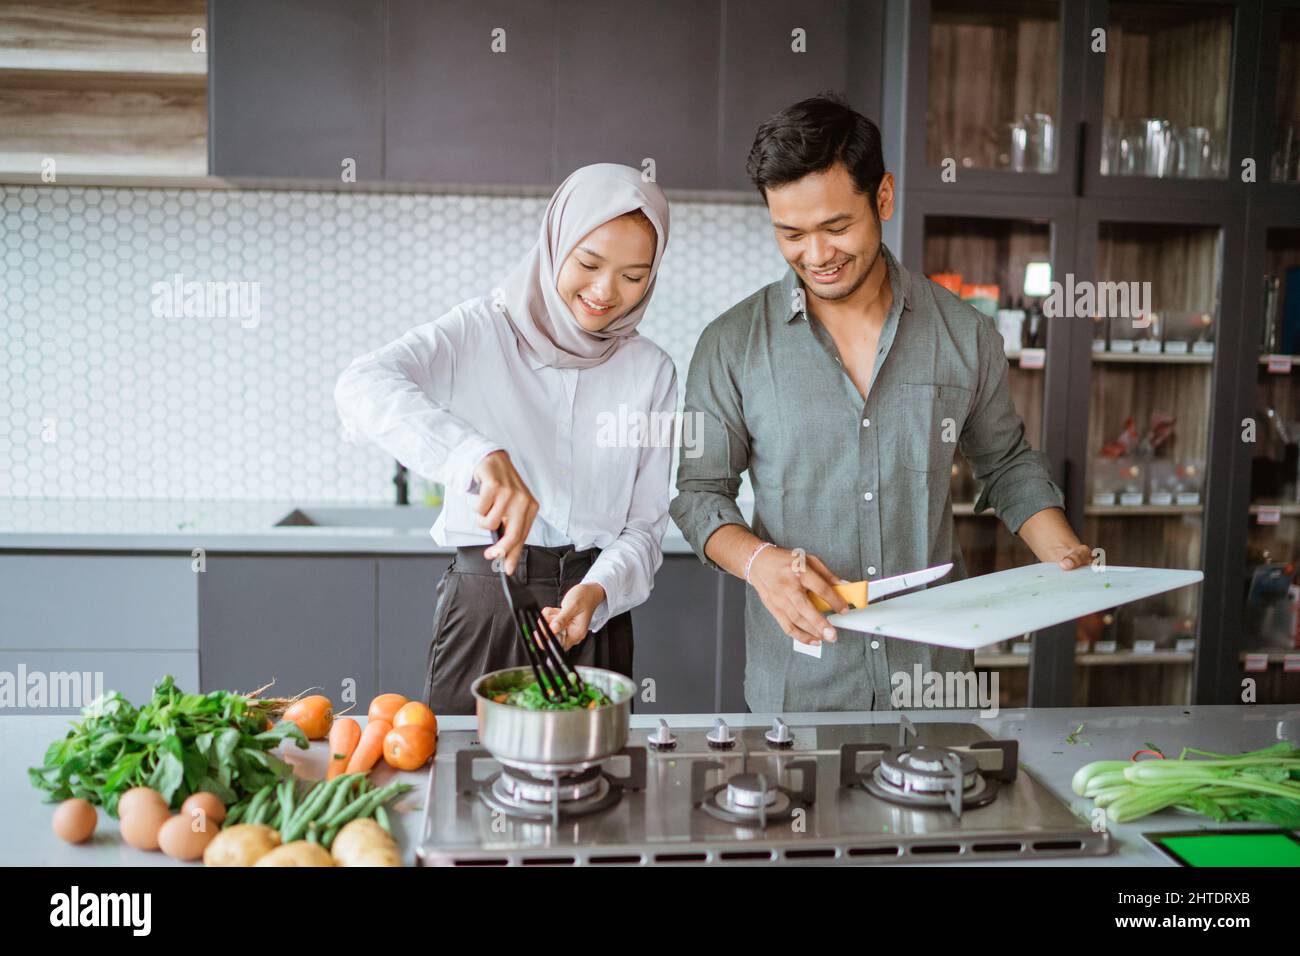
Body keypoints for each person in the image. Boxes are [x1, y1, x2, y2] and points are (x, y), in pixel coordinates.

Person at [670, 94, 1092, 713]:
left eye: (836, 227)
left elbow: (1005, 465)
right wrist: (760, 563)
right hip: (802, 686)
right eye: (791, 233)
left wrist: (1069, 558)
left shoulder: (962, 334)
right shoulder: (732, 344)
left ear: (884, 198)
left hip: (933, 682)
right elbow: (699, 495)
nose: (816, 256)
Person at [336, 163, 676, 714]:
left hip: (593, 613)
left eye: (633, 276)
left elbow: (643, 527)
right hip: (486, 606)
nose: (605, 291)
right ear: (553, 244)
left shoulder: (652, 372)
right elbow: (361, 384)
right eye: (588, 262)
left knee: (598, 790)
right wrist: (475, 454)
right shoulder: (477, 332)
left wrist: (598, 592)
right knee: (460, 782)